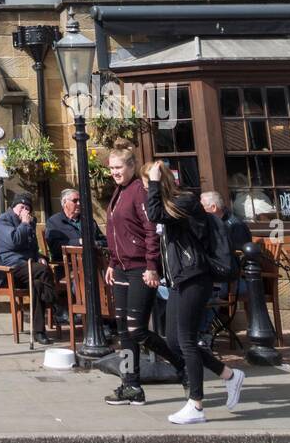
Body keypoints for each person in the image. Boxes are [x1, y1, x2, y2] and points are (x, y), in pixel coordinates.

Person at [145, 162, 245, 424]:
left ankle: (196, 405)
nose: (147, 191)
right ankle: (229, 375)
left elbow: (154, 213)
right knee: (174, 342)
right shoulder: (173, 206)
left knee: (187, 341)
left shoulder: (185, 201)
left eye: (148, 185)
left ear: (159, 182)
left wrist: (154, 181)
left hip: (195, 276)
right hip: (180, 278)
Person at [103, 145, 186, 405]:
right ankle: (131, 385)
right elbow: (115, 232)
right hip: (121, 268)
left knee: (137, 330)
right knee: (124, 331)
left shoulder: (140, 190)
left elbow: (152, 229)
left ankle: (180, 362)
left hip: (141, 268)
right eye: (111, 168)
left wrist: (152, 265)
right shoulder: (119, 192)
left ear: (130, 166)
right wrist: (112, 262)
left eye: (118, 167)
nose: (114, 172)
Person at [0, 192, 58, 343]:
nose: (25, 211)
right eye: (21, 207)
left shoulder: (28, 223)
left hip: (26, 268)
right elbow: (14, 242)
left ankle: (39, 332)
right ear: (14, 207)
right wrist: (25, 224)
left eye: (27, 208)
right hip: (8, 269)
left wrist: (39, 256)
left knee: (38, 284)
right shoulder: (3, 220)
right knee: (42, 270)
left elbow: (33, 248)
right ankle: (54, 304)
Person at [197, 190, 251, 343]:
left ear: (213, 208)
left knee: (207, 290)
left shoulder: (235, 226)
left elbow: (239, 259)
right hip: (220, 276)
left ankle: (202, 333)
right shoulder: (212, 224)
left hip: (236, 281)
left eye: (202, 207)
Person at [45, 188, 107, 264]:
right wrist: (78, 242)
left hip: (93, 263)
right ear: (64, 202)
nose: (79, 203)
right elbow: (55, 246)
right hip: (69, 266)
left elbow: (103, 240)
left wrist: (97, 243)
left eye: (80, 200)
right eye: (75, 201)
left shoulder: (88, 220)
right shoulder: (54, 221)